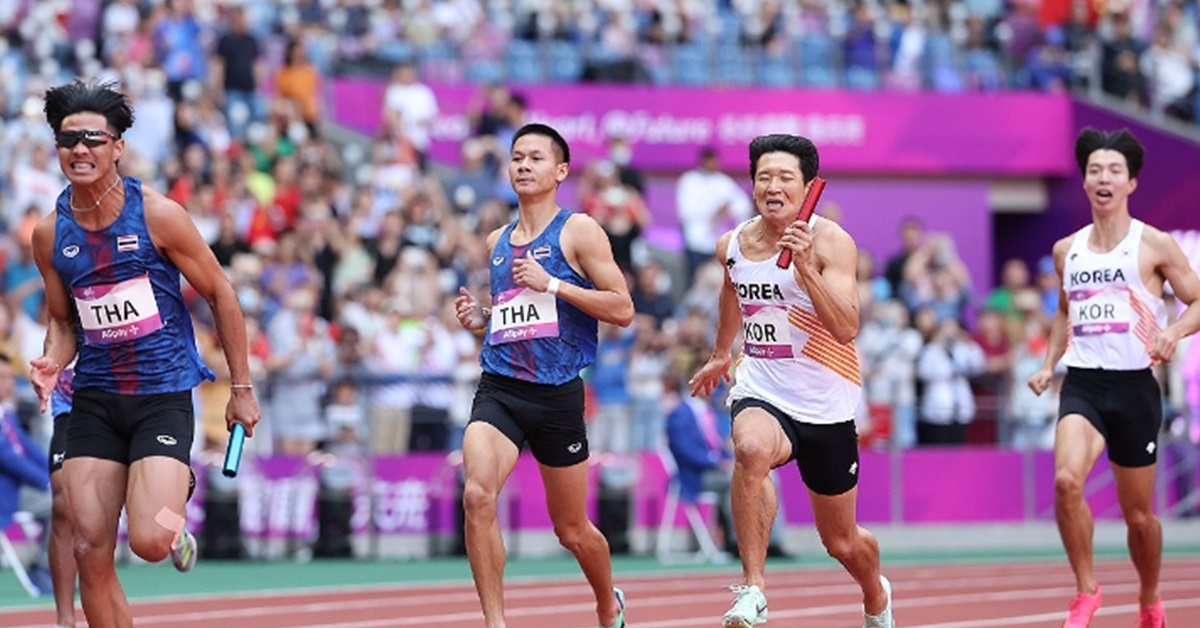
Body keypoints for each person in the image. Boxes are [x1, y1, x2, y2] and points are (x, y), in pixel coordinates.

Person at [29, 80, 261, 628]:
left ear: (117, 147)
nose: (80, 149)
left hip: (160, 397)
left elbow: (220, 293)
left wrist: (241, 389)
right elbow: (63, 321)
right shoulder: (49, 234)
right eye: (68, 140)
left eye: (93, 139)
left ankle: (176, 496)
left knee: (151, 540)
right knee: (88, 548)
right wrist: (52, 361)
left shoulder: (159, 215)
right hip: (94, 399)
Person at [690, 134, 894, 628]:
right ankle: (753, 588)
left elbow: (846, 327)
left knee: (841, 542)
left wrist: (805, 268)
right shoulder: (732, 245)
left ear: (808, 187)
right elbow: (732, 291)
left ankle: (876, 593)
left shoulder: (831, 241)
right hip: (762, 386)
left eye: (785, 177)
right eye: (764, 177)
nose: (773, 187)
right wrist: (721, 352)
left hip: (825, 405)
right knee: (751, 450)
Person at [454, 123, 631, 628]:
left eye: (535, 158)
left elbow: (622, 308)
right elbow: (516, 314)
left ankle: (607, 602)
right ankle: (495, 623)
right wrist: (482, 320)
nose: (524, 166)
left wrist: (554, 283)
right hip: (500, 389)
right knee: (477, 496)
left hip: (557, 395)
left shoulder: (579, 230)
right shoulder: (497, 240)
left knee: (571, 530)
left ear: (560, 171)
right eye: (517, 158)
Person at [1027, 127, 1200, 628]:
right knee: (1066, 482)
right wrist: (1048, 364)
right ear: (1084, 181)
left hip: (1134, 388)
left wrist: (1173, 333)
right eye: (1095, 170)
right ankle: (1086, 590)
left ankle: (1149, 597)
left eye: (1114, 171)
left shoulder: (1154, 245)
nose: (1104, 178)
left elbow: (1197, 301)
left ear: (1131, 183)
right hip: (1083, 383)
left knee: (1138, 516)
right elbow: (1065, 312)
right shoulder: (1067, 250)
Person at [0, 354, 54, 599]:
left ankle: (43, 565)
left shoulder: (6, 413)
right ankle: (42, 567)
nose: (10, 383)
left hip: (17, 489)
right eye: (3, 378)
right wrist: (45, 482)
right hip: (6, 495)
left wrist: (54, 473)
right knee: (60, 504)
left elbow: (28, 448)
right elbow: (10, 459)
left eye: (10, 377)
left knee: (63, 499)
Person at [48, 365, 78, 627]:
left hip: (132, 398)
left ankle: (172, 526)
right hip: (71, 406)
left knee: (148, 514)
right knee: (63, 504)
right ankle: (65, 620)